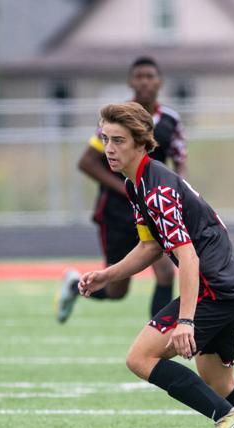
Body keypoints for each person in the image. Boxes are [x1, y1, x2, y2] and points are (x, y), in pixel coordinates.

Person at [77, 102, 234, 428]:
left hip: (213, 286)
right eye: (105, 139)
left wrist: (185, 321)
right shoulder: (138, 184)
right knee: (219, 379)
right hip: (229, 285)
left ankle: (226, 417)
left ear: (141, 144)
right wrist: (108, 275)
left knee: (140, 358)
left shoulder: (156, 188)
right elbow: (150, 247)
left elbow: (188, 257)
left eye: (118, 140)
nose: (109, 148)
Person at [56, 56, 186, 323]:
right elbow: (87, 162)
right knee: (117, 290)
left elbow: (179, 160)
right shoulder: (118, 117)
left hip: (152, 207)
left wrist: (179, 193)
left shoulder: (171, 120)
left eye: (150, 76)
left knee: (165, 272)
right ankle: (74, 287)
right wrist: (126, 188)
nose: (145, 82)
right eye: (139, 76)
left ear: (159, 81)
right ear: (130, 81)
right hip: (116, 211)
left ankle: (158, 339)